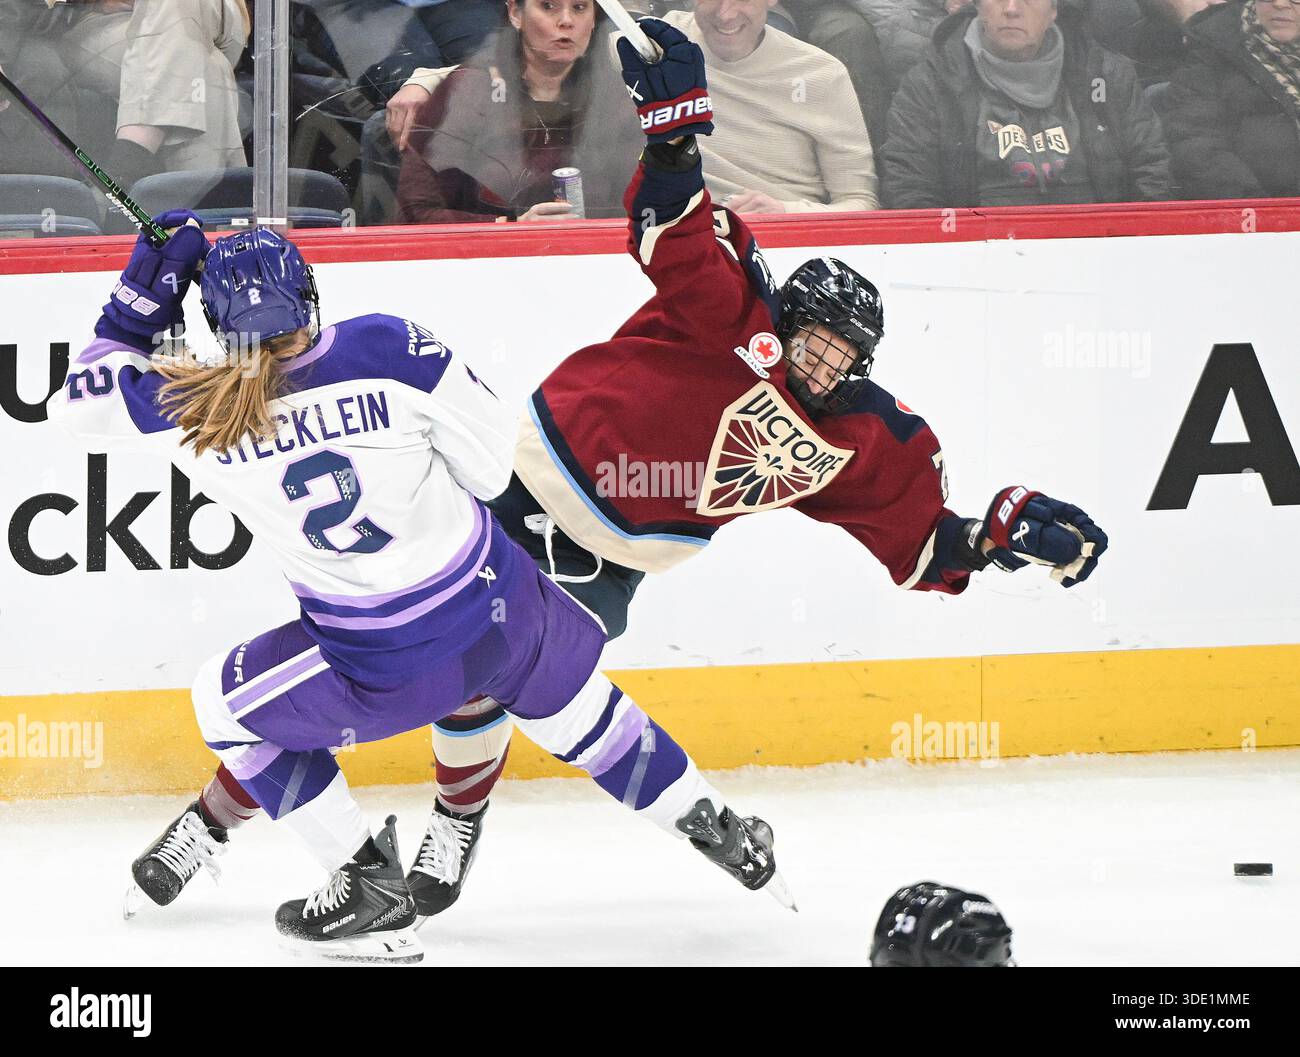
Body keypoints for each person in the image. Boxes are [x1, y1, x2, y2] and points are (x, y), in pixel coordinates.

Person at [403, 17, 1110, 912]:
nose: (820, 365)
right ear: (785, 320)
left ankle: (475, 815)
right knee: (451, 648)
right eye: (811, 341)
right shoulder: (731, 308)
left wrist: (998, 532)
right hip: (531, 474)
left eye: (841, 354)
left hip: (620, 555)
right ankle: (458, 816)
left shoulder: (863, 440)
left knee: (496, 664)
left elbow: (922, 544)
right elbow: (674, 232)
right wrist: (673, 137)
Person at [46, 212, 790, 961]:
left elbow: (85, 400)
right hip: (508, 616)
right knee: (584, 718)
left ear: (216, 325)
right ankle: (722, 828)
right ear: (307, 294)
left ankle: (364, 878)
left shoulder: (197, 413)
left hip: (383, 667)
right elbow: (499, 468)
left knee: (225, 702)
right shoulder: (387, 345)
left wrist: (142, 298)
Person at [880, 0, 1173, 206]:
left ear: (1053, 10)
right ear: (978, 7)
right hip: (976, 259)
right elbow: (910, 188)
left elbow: (1152, 173)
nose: (1011, 9)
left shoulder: (1106, 74)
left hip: (1099, 251)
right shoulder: (930, 82)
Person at [393, 0, 641, 223]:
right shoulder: (466, 92)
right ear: (515, 13)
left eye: (579, 7)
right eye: (548, 6)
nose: (566, 21)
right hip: (485, 264)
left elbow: (644, 207)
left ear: (594, 19)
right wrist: (512, 229)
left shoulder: (616, 98)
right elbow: (416, 211)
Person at [653, 0, 880, 213]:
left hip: (785, 236)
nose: (726, 13)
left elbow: (861, 202)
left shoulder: (820, 73)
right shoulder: (654, 44)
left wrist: (785, 212)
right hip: (674, 233)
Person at [0, 0, 249, 185]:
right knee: (203, 68)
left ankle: (126, 171)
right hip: (100, 21)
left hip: (212, 13)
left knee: (177, 17)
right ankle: (212, 227)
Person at [1163, 0, 1300, 198]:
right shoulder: (1210, 51)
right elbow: (1195, 145)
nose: (1279, 4)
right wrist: (1263, 212)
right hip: (1255, 212)